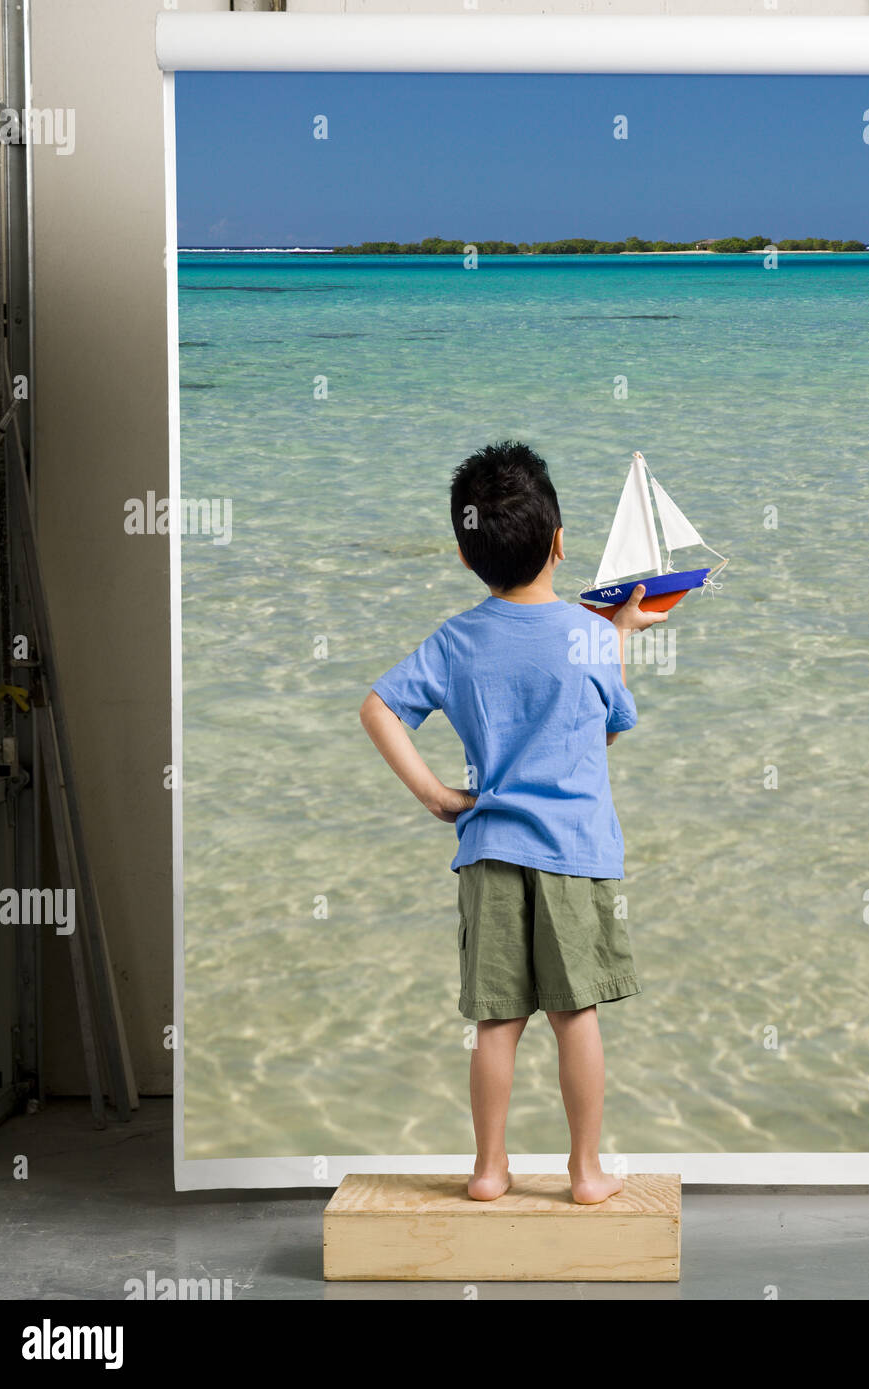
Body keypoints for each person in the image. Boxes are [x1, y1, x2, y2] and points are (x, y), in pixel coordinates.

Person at [360, 440, 666, 1204]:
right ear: (561, 543)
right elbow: (609, 728)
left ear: (467, 558)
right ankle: (585, 1172)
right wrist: (620, 633)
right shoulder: (591, 635)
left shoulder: (457, 639)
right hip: (572, 850)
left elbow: (378, 707)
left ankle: (490, 1169)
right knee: (575, 1016)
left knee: (497, 1022)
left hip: (490, 848)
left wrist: (436, 794)